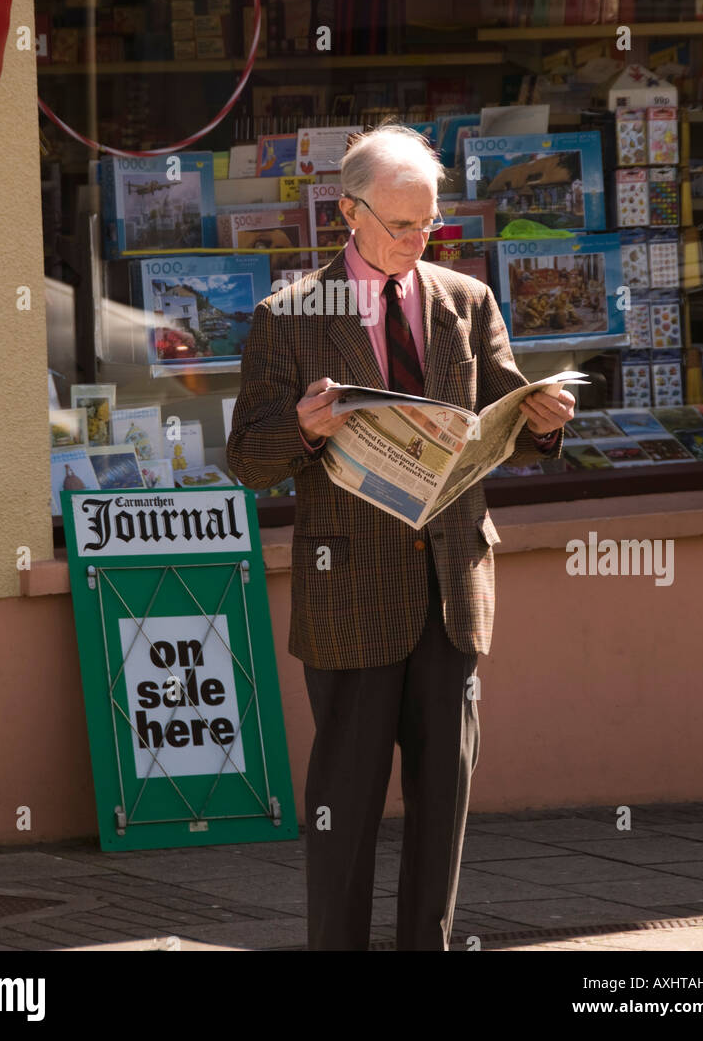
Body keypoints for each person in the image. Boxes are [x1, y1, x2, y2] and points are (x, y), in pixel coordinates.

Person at [226, 126, 575, 951]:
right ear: (349, 213)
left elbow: (502, 416)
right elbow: (247, 460)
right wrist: (303, 430)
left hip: (451, 586)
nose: (418, 242)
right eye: (400, 226)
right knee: (343, 807)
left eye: (429, 226)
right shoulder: (288, 318)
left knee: (442, 797)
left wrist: (544, 423)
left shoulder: (466, 300)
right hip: (349, 591)